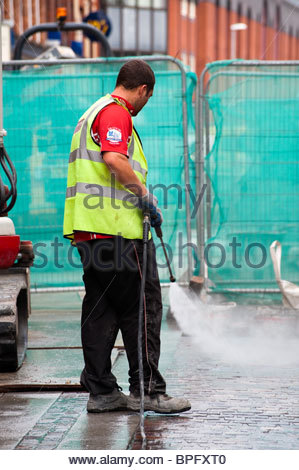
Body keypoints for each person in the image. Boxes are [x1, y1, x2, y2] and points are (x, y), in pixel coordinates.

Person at [63, 59, 191, 414]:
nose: (145, 103)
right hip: (118, 232)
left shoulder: (89, 114)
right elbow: (115, 160)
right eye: (147, 97)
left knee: (102, 309)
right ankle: (148, 391)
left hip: (90, 232)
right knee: (142, 308)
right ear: (142, 90)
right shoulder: (116, 113)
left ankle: (102, 390)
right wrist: (145, 198)